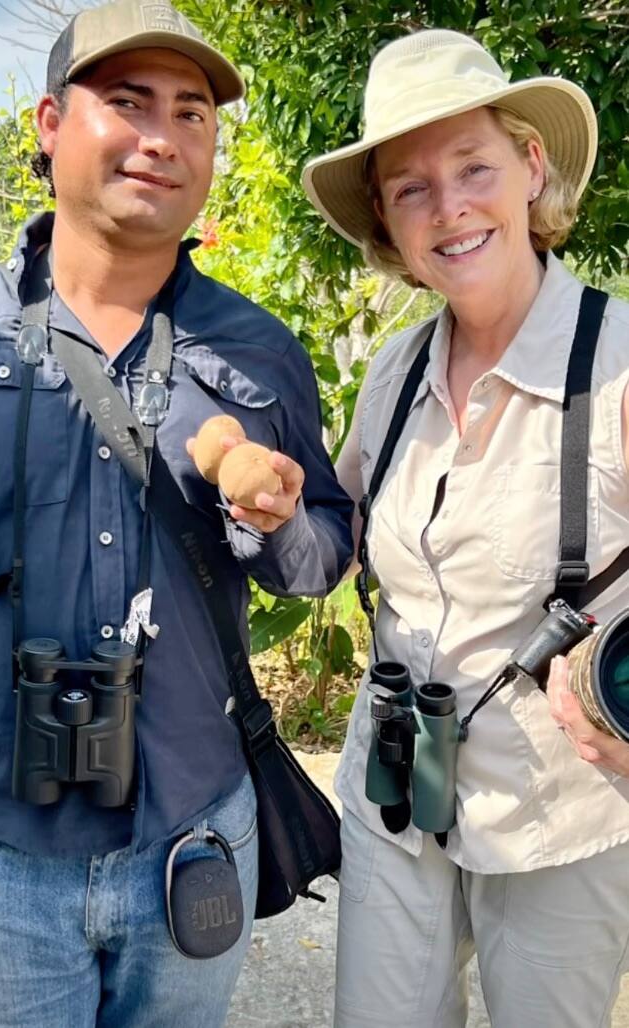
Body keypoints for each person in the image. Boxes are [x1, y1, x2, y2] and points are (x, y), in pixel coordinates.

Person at [0, 2, 354, 1025]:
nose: (162, 136)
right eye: (125, 102)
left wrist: (274, 517)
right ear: (48, 122)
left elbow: (318, 560)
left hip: (194, 838)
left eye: (192, 112)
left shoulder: (258, 351)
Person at [303, 28, 629, 1028]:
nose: (449, 208)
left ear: (530, 168)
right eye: (409, 187)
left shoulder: (616, 363)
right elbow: (334, 527)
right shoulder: (394, 371)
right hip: (396, 785)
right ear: (387, 225)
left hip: (560, 813)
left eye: (473, 167)